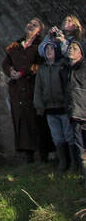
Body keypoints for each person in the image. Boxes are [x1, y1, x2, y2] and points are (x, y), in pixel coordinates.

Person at [0, 18, 45, 162]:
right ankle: (28, 154)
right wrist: (11, 71)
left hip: (34, 86)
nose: (30, 26)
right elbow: (5, 64)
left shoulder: (40, 45)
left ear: (39, 30)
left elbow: (40, 64)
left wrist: (24, 72)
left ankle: (44, 153)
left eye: (34, 25)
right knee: (22, 120)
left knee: (37, 119)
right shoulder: (15, 46)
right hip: (18, 89)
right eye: (29, 23)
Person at [34, 41, 74, 172]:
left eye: (51, 49)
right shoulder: (42, 69)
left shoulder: (62, 66)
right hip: (50, 109)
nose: (49, 51)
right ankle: (62, 162)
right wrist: (39, 105)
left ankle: (73, 161)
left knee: (69, 135)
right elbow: (38, 89)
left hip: (63, 106)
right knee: (57, 136)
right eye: (47, 49)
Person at [65, 41, 86, 189]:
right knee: (80, 149)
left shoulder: (84, 69)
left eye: (75, 48)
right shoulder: (65, 69)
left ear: (81, 53)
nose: (71, 50)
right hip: (74, 114)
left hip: (84, 113)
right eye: (70, 47)